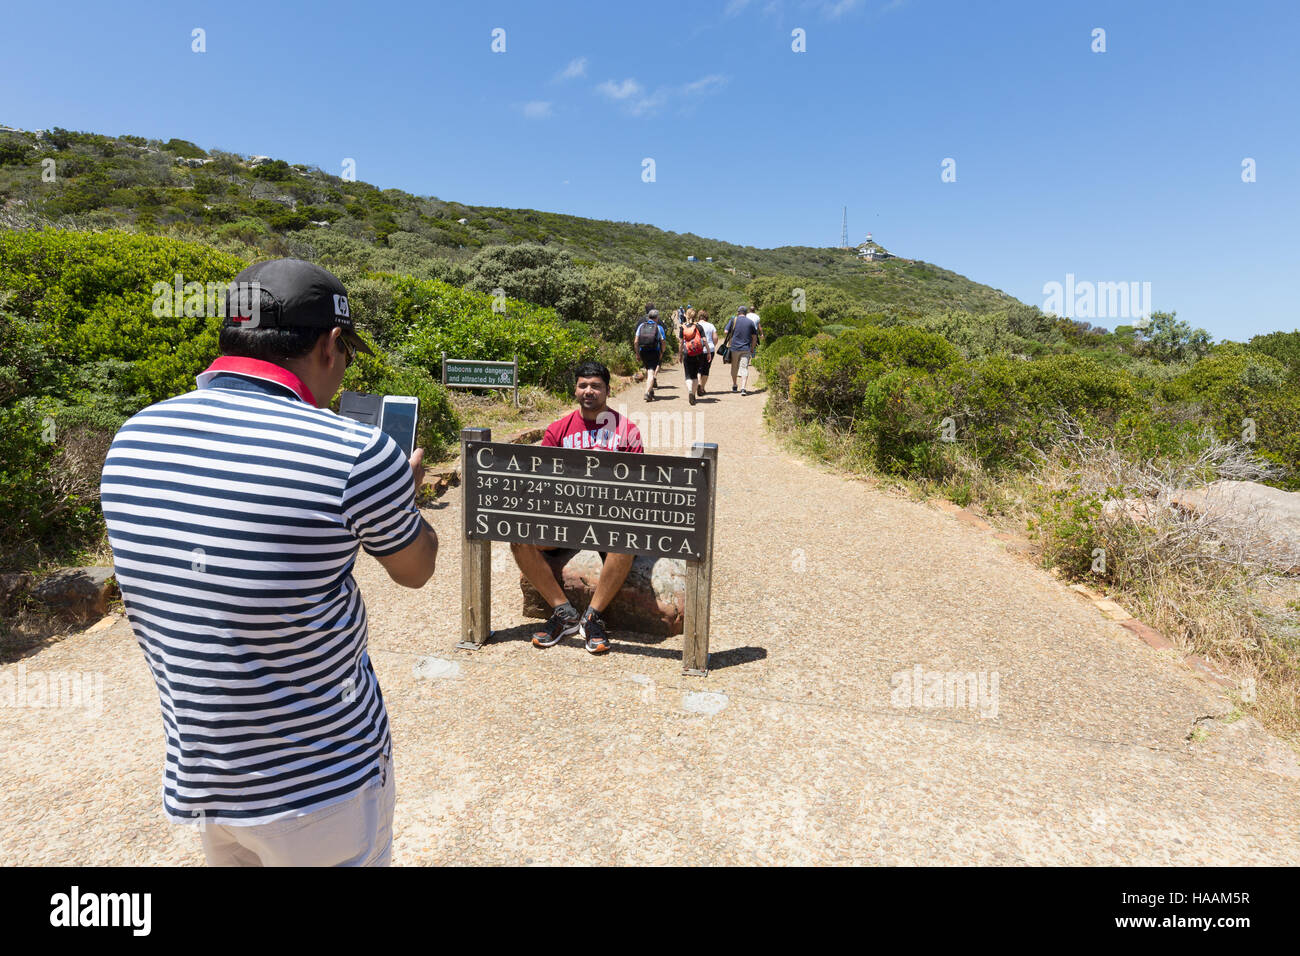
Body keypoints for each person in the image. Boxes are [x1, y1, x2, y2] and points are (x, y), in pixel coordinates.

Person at [100, 259, 438, 867]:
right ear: (332, 344)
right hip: (323, 784)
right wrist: (400, 498)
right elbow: (416, 570)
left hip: (206, 779)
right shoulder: (356, 452)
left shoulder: (133, 437)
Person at [512, 361, 644, 654]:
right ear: (575, 389)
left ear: (608, 390)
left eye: (596, 386)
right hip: (565, 519)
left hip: (609, 520)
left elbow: (637, 486)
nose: (589, 391)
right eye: (583, 385)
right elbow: (541, 476)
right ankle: (564, 613)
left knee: (627, 541)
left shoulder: (627, 431)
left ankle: (593, 617)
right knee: (519, 537)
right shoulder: (559, 429)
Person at [721, 304, 762, 395]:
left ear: (738, 312)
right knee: (744, 368)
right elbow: (754, 337)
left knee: (734, 367)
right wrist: (752, 348)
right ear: (746, 313)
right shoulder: (750, 322)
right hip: (746, 348)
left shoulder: (733, 320)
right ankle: (743, 388)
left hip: (734, 348)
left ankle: (735, 385)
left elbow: (725, 331)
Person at [633, 304, 666, 401]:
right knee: (651, 371)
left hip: (643, 351)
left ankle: (651, 390)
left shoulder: (641, 326)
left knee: (648, 370)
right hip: (654, 351)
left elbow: (636, 341)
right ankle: (647, 392)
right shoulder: (659, 327)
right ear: (657, 317)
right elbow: (663, 341)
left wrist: (637, 353)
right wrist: (662, 351)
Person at [679, 309, 708, 405]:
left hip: (687, 353)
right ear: (695, 316)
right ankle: (693, 395)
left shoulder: (682, 327)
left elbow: (680, 343)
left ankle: (690, 392)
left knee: (688, 375)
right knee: (695, 375)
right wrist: (708, 352)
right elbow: (704, 340)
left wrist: (680, 354)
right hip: (698, 353)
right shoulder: (699, 327)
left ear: (686, 316)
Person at [695, 309, 717, 395]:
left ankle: (699, 384)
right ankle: (702, 388)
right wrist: (712, 345)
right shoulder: (711, 325)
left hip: (698, 349)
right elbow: (715, 338)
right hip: (709, 349)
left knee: (698, 369)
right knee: (706, 369)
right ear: (706, 317)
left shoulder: (695, 325)